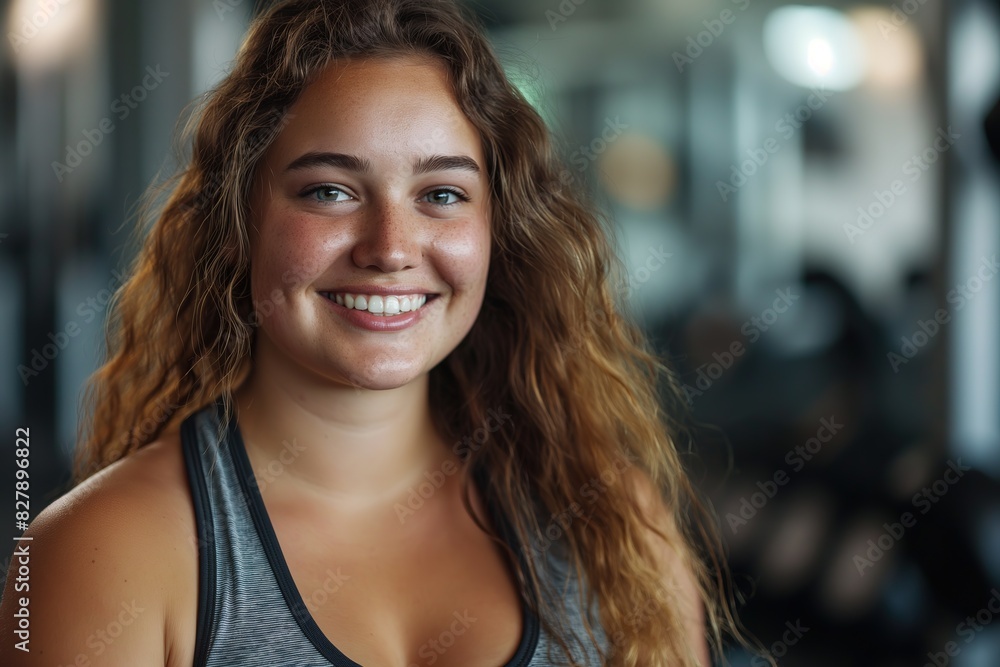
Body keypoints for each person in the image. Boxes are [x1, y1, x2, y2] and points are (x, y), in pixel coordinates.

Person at [0, 1, 761, 665]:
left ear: (500, 231)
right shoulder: (103, 555)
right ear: (238, 224)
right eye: (329, 190)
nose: (391, 246)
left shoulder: (609, 518)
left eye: (440, 193)